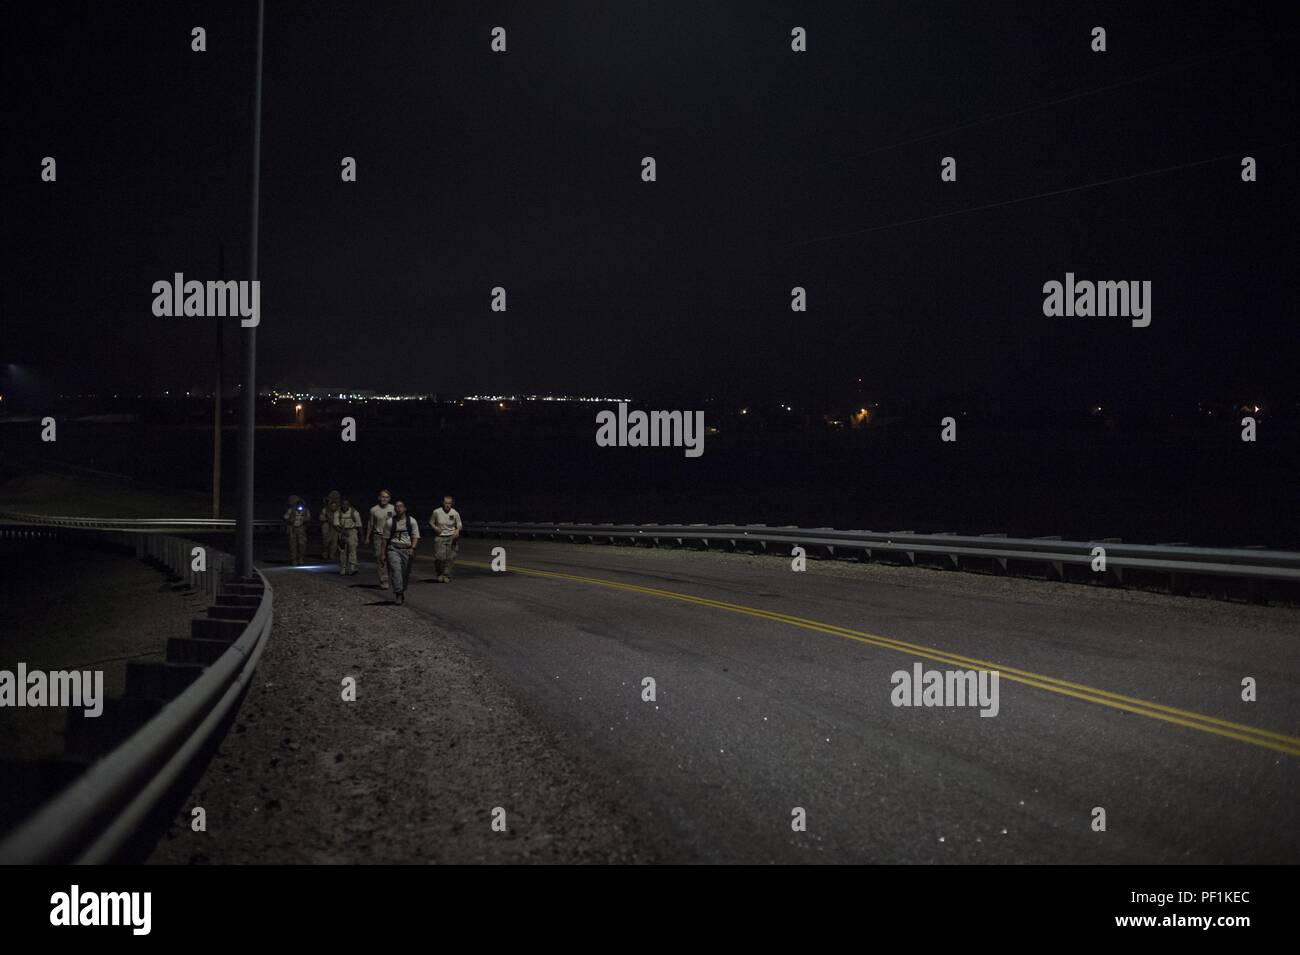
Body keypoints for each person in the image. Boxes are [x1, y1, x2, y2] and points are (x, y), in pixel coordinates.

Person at [383, 499, 420, 604]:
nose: (398, 508)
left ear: (405, 508)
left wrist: (412, 548)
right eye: (396, 506)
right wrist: (382, 554)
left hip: (406, 550)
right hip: (393, 549)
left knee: (405, 574)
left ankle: (402, 590)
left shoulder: (411, 521)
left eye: (400, 506)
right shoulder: (390, 522)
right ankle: (398, 594)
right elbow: (385, 539)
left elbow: (415, 536)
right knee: (396, 571)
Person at [365, 489, 395, 589]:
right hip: (378, 536)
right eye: (382, 497)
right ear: (379, 497)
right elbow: (370, 524)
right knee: (380, 558)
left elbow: (396, 522)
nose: (384, 499)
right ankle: (384, 580)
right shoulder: (374, 510)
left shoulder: (393, 508)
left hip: (390, 536)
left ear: (389, 498)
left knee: (391, 558)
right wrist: (367, 537)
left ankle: (393, 578)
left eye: (386, 497)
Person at [428, 495, 463, 582]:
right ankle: (439, 573)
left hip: (451, 536)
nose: (448, 505)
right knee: (440, 557)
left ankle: (446, 575)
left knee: (451, 557)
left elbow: (459, 524)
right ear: (443, 503)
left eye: (449, 503)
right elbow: (431, 522)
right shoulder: (436, 512)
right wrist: (435, 528)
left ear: (452, 504)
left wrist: (457, 530)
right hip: (440, 536)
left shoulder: (454, 513)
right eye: (446, 503)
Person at [335, 496, 363, 575]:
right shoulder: (338, 512)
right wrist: (342, 532)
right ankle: (343, 568)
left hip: (352, 531)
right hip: (342, 531)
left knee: (352, 549)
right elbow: (335, 525)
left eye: (346, 504)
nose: (344, 506)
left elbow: (359, 525)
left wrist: (362, 537)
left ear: (349, 505)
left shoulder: (354, 512)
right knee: (342, 551)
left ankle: (352, 567)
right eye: (343, 504)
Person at [283, 494, 311, 565]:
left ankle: (301, 558)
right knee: (293, 545)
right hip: (293, 529)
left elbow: (309, 518)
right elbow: (285, 517)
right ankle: (294, 559)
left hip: (301, 529)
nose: (299, 507)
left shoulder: (306, 510)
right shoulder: (291, 510)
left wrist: (305, 519)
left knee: (302, 544)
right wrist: (290, 519)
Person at [320, 491, 341, 560]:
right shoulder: (325, 509)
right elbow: (321, 518)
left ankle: (332, 554)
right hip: (327, 526)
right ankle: (325, 552)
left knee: (334, 541)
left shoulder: (339, 509)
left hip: (335, 526)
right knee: (326, 541)